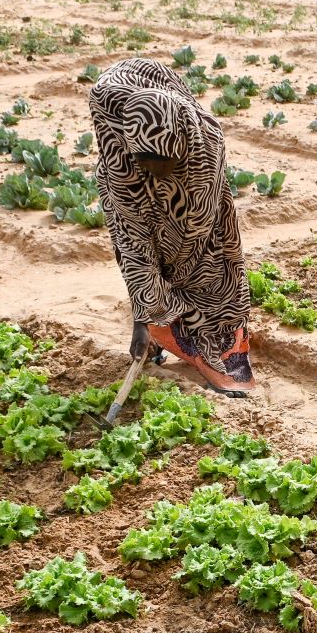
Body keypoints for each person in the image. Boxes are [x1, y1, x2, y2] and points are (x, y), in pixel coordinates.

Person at [88, 58, 256, 395]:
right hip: (126, 129)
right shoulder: (119, 152)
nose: (157, 175)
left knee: (205, 253)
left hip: (180, 139)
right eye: (148, 165)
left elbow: (198, 234)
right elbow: (134, 241)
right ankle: (164, 329)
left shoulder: (206, 142)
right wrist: (144, 316)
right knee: (137, 240)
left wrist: (181, 282)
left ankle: (214, 335)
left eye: (164, 165)